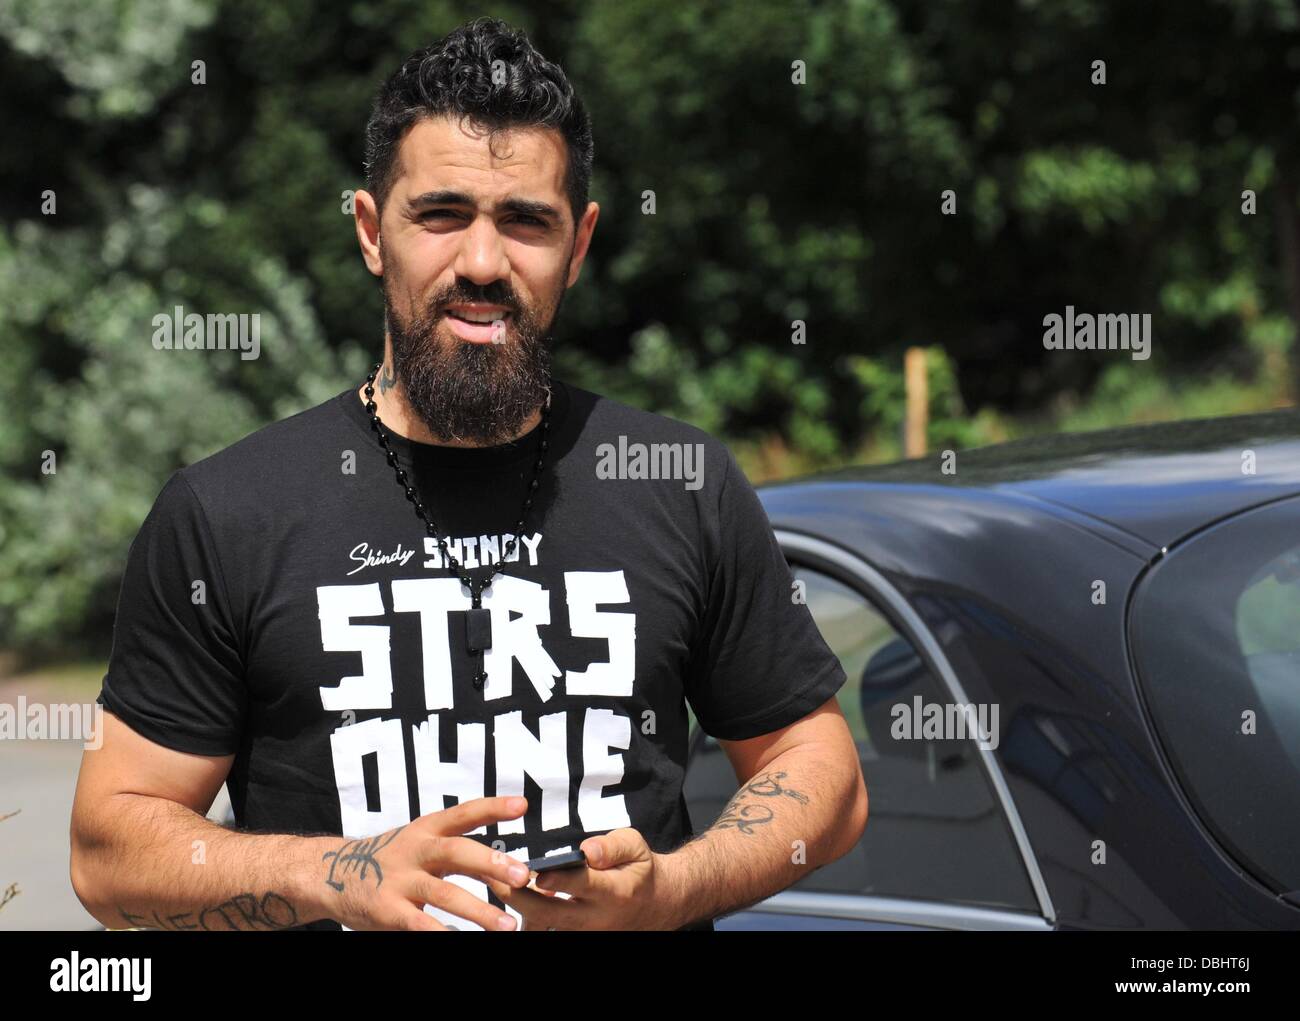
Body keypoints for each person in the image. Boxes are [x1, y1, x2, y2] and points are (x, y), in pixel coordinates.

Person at [70, 16, 867, 932]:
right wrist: (341, 874)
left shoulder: (679, 481)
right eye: (441, 215)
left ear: (579, 244)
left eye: (526, 221)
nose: (482, 263)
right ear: (372, 232)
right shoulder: (227, 512)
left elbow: (824, 772)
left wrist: (673, 890)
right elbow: (107, 850)